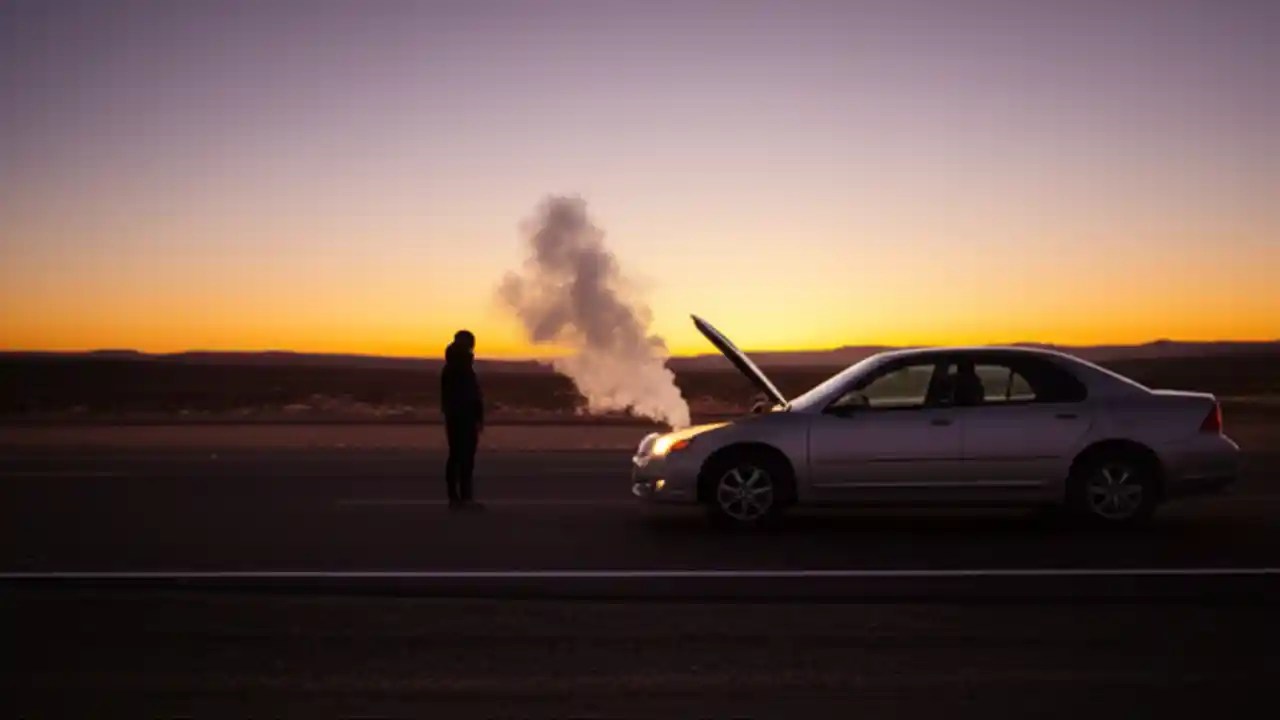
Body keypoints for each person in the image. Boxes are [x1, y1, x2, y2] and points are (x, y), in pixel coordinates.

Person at [441, 329, 484, 509]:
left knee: (459, 457)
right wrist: (474, 414)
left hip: (460, 417)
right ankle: (461, 498)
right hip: (461, 417)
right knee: (462, 458)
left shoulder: (459, 366)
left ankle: (458, 497)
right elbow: (468, 395)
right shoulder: (458, 368)